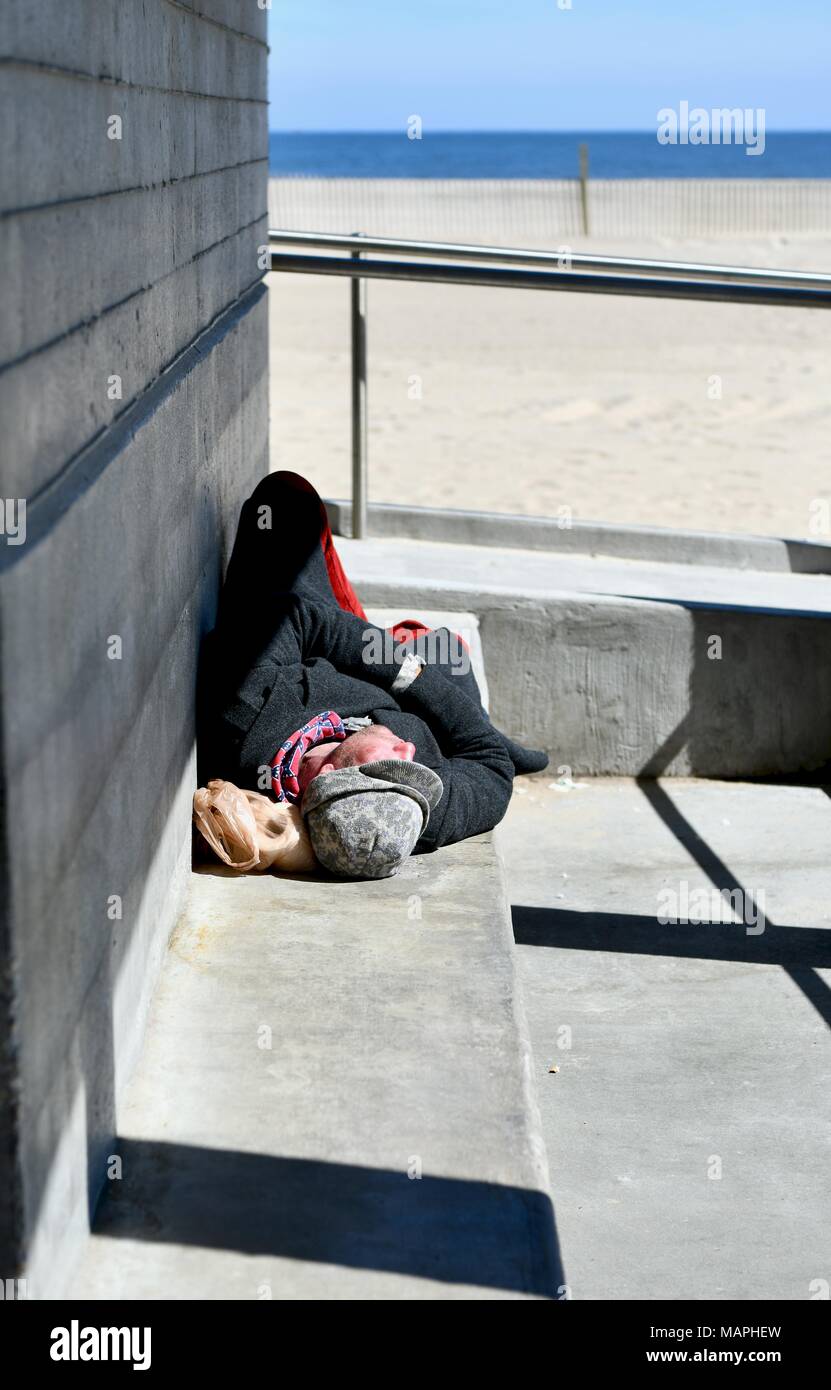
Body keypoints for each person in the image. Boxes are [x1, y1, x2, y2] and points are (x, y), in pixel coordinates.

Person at [199, 472, 548, 878]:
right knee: (444, 648)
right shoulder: (414, 809)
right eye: (413, 774)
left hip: (310, 643)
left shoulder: (246, 705)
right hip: (408, 685)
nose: (409, 755)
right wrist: (414, 675)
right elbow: (492, 766)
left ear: (325, 776)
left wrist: (398, 666)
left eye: (390, 767)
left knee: (284, 500)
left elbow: (297, 619)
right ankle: (428, 671)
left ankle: (386, 641)